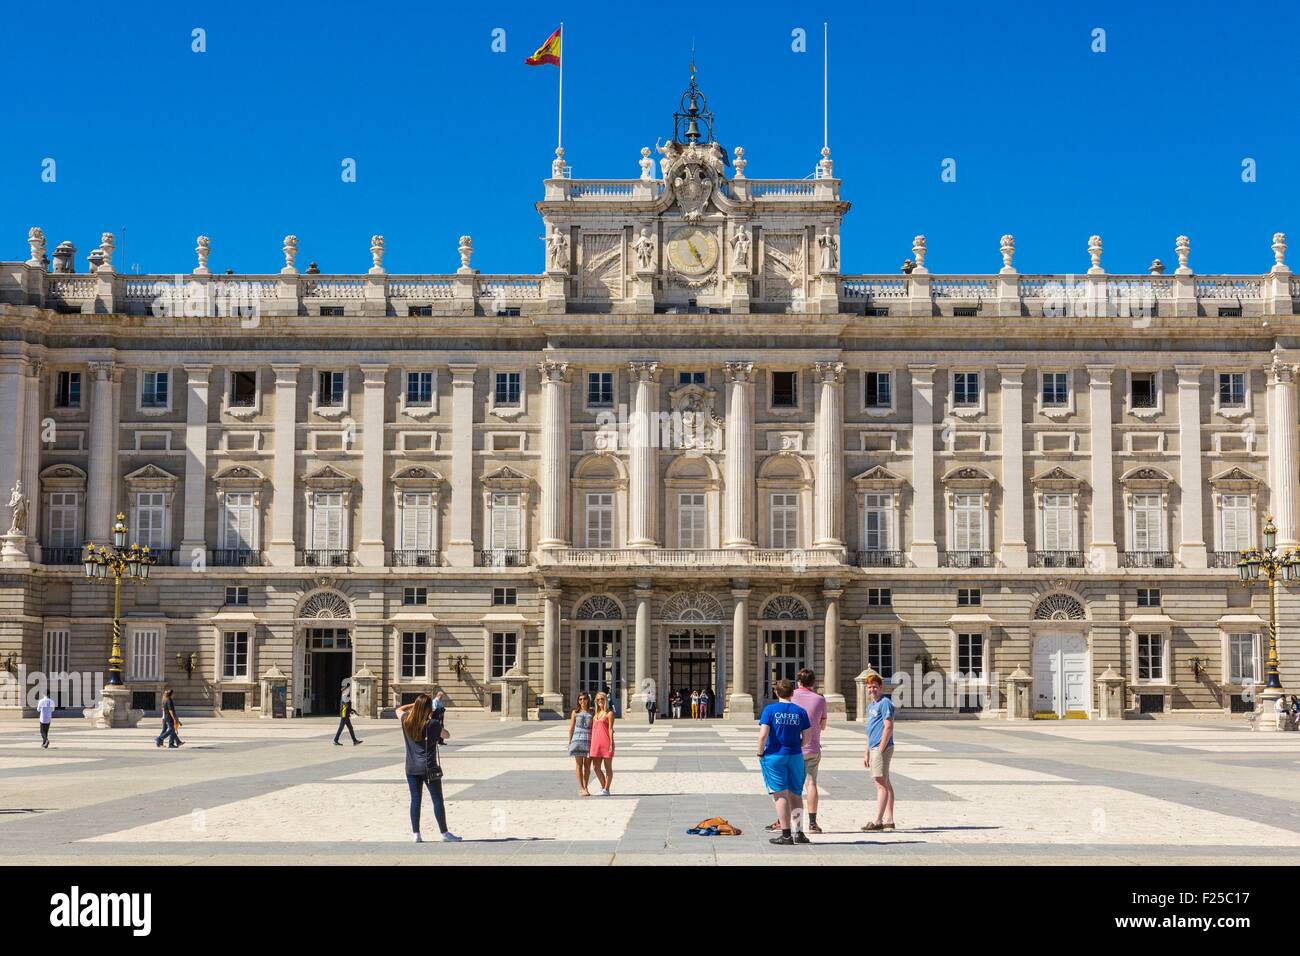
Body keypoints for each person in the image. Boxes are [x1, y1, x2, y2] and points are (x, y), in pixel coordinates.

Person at [767, 669, 827, 834]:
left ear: (798, 682)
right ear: (813, 682)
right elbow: (822, 725)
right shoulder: (820, 699)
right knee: (811, 783)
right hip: (812, 747)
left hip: (792, 749)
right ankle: (812, 824)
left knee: (787, 788)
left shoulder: (791, 697)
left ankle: (783, 822)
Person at [396, 694, 460, 843]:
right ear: (428, 709)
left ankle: (416, 834)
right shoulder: (433, 724)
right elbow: (447, 735)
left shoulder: (406, 720)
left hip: (411, 767)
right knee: (437, 800)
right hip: (429, 767)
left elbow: (398, 710)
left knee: (415, 800)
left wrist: (414, 704)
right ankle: (444, 832)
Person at [758, 678, 812, 846]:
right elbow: (807, 737)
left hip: (774, 755)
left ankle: (786, 835)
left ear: (776, 692)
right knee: (796, 794)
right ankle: (799, 833)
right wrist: (796, 745)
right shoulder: (800, 711)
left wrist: (760, 752)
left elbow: (763, 735)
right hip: (795, 755)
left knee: (780, 794)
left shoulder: (770, 710)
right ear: (792, 693)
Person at [861, 673, 896, 831]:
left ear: (881, 687)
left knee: (880, 784)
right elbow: (869, 731)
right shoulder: (871, 706)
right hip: (874, 747)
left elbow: (888, 727)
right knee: (886, 783)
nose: (872, 690)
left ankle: (878, 820)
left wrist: (880, 749)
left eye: (875, 686)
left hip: (882, 747)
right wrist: (866, 752)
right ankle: (889, 819)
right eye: (869, 687)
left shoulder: (885, 703)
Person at [589, 690, 615, 795]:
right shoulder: (595, 714)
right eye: (598, 699)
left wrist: (611, 743)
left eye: (602, 699)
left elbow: (610, 729)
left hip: (606, 743)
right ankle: (603, 787)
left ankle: (606, 789)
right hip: (595, 743)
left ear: (606, 700)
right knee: (596, 767)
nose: (600, 701)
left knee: (608, 767)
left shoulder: (609, 713)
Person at [568, 692, 594, 796]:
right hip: (577, 740)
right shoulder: (575, 712)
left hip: (589, 740)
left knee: (587, 766)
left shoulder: (592, 712)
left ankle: (586, 786)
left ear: (588, 700)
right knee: (579, 765)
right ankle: (581, 787)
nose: (582, 701)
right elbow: (571, 728)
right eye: (580, 699)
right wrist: (569, 741)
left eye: (584, 699)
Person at [333, 677, 362, 746]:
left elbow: (347, 706)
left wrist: (353, 711)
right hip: (344, 715)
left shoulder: (345, 696)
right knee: (341, 728)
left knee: (349, 728)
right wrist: (353, 711)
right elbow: (347, 706)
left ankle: (354, 741)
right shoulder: (344, 696)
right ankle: (336, 740)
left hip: (345, 715)